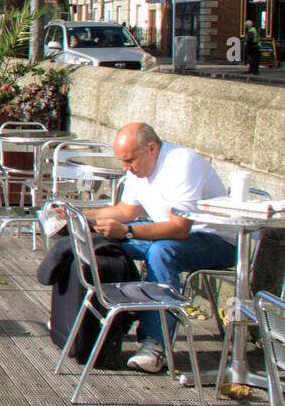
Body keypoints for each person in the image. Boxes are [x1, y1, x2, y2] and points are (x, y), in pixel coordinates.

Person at [57, 122, 235, 373]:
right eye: (122, 162)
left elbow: (180, 228)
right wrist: (79, 215)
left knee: (162, 252)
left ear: (151, 148)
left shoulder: (183, 163)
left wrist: (128, 230)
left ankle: (155, 343)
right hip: (170, 235)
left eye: (129, 161)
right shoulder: (138, 168)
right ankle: (83, 320)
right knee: (103, 245)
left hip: (215, 238)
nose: (125, 168)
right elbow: (126, 211)